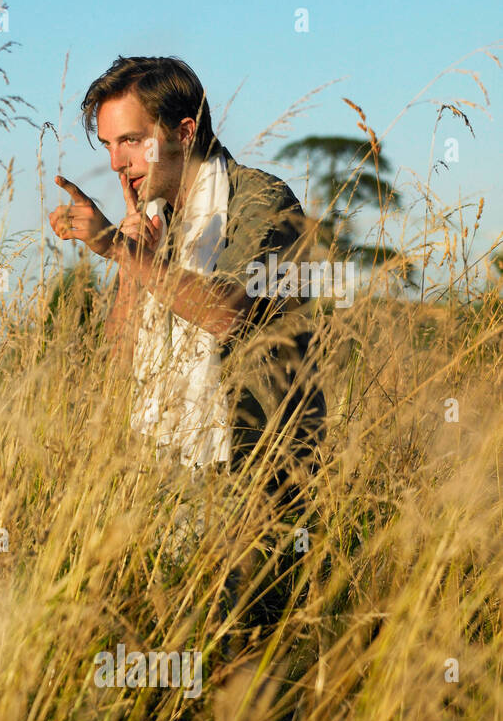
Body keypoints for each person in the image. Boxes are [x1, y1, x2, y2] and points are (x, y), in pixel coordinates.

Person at [49, 56, 326, 628]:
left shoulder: (262, 201)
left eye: (131, 139)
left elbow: (226, 314)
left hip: (258, 481)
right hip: (168, 477)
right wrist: (130, 256)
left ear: (183, 132)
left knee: (250, 670)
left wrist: (123, 251)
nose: (116, 161)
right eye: (107, 144)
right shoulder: (156, 219)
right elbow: (120, 361)